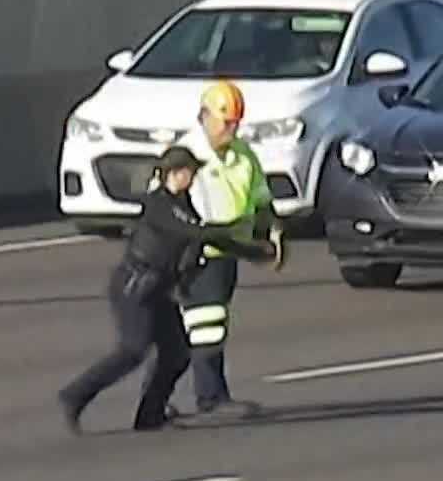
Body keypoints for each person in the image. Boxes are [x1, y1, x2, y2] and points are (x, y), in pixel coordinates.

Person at [57, 146, 281, 434]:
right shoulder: (160, 205)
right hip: (133, 287)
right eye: (189, 171)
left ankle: (150, 415)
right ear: (173, 174)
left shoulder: (182, 204)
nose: (194, 176)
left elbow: (204, 238)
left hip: (158, 289)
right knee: (132, 350)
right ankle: (75, 395)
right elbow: (199, 232)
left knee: (177, 353)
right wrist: (239, 227)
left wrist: (254, 252)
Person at [161, 80, 287, 417]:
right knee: (206, 327)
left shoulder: (243, 155)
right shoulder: (185, 156)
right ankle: (211, 397)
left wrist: (271, 232)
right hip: (195, 254)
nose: (230, 130)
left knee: (201, 328)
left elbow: (260, 198)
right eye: (225, 122)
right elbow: (163, 206)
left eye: (235, 123)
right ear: (204, 117)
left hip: (228, 251)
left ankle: (158, 400)